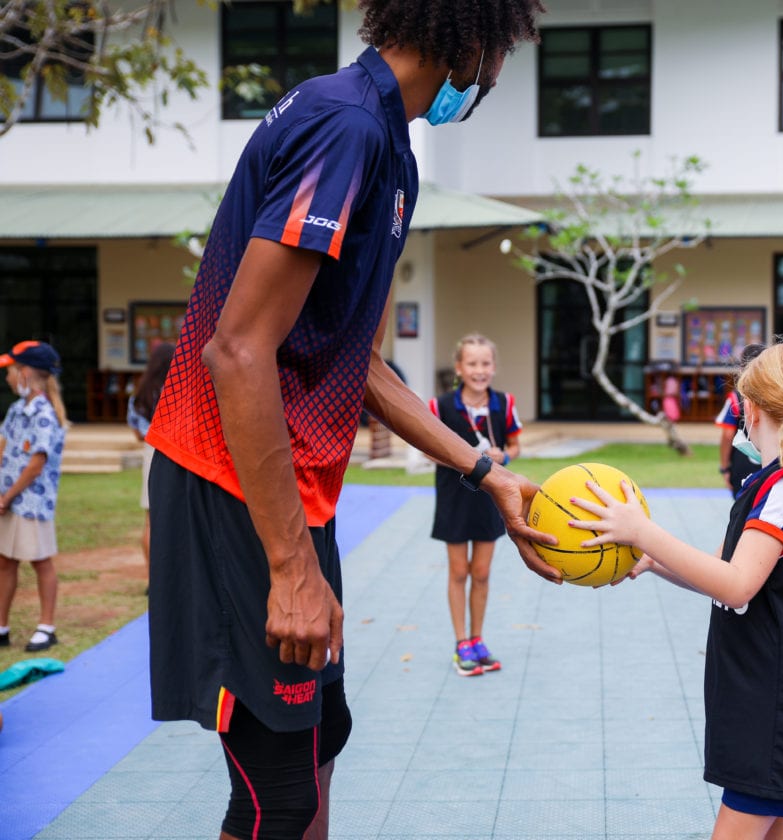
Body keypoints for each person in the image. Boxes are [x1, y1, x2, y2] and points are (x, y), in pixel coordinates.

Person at [142, 3, 556, 838]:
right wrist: (292, 567)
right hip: (232, 484)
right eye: (505, 52)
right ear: (470, 38)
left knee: (317, 744)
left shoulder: (388, 147)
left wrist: (488, 471)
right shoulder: (345, 126)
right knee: (280, 791)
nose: (500, 76)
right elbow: (240, 351)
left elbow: (359, 365)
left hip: (292, 491)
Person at [573, 341, 783, 840]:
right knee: (782, 831)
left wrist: (642, 531)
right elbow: (726, 572)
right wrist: (654, 561)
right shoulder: (776, 484)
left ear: (748, 410)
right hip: (782, 697)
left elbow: (736, 587)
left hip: (778, 705)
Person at [429, 334, 521, 676]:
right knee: (459, 572)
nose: (479, 370)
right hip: (454, 497)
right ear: (459, 367)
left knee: (481, 573)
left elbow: (516, 445)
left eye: (485, 363)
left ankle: (478, 640)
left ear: (494, 367)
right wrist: (462, 458)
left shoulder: (503, 403)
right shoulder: (440, 407)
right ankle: (461, 643)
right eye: (472, 363)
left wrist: (505, 456)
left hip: (487, 498)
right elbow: (426, 448)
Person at [0, 341, 68, 654]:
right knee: (5, 561)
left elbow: (36, 463)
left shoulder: (43, 412)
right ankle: (2, 626)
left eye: (11, 371)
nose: (8, 378)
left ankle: (46, 626)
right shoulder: (17, 409)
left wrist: (7, 496)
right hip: (8, 498)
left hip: (31, 502)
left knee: (40, 562)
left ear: (26, 372)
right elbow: (4, 446)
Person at [125, 342, 175, 591]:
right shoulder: (178, 390)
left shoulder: (140, 394)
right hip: (176, 451)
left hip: (150, 450)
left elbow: (135, 431)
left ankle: (151, 579)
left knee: (150, 520)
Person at [715, 344, 765, 498]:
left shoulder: (736, 398)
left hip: (742, 466)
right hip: (771, 466)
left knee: (743, 514)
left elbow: (728, 435)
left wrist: (724, 467)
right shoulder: (778, 397)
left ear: (742, 368)